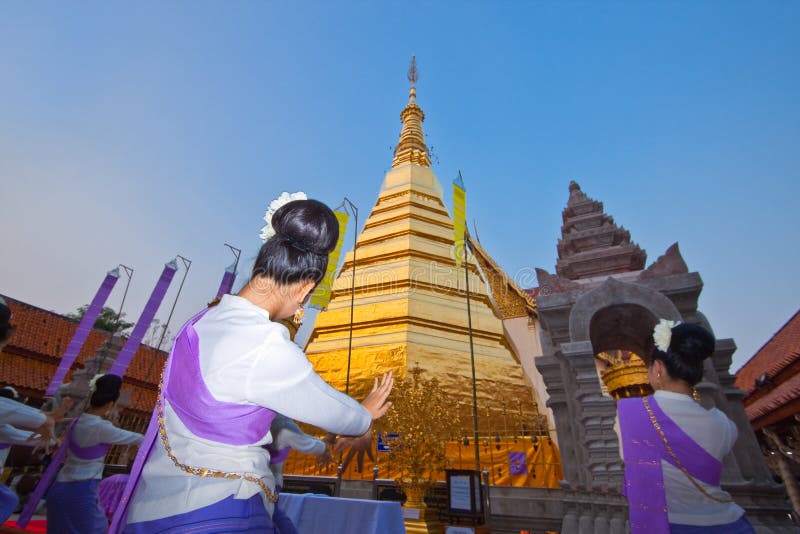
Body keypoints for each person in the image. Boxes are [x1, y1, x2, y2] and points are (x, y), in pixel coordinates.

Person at [112, 199, 394, 533]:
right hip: (217, 507)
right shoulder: (265, 345)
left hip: (150, 508)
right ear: (306, 287)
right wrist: (364, 415)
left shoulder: (201, 321)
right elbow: (337, 413)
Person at [617, 320, 754, 534]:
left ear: (658, 369)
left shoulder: (628, 413)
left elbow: (628, 459)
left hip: (668, 525)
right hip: (731, 524)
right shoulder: (724, 425)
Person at [17, 374, 143, 533]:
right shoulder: (102, 428)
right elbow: (141, 439)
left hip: (60, 487)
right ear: (111, 404)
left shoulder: (76, 422)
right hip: (82, 491)